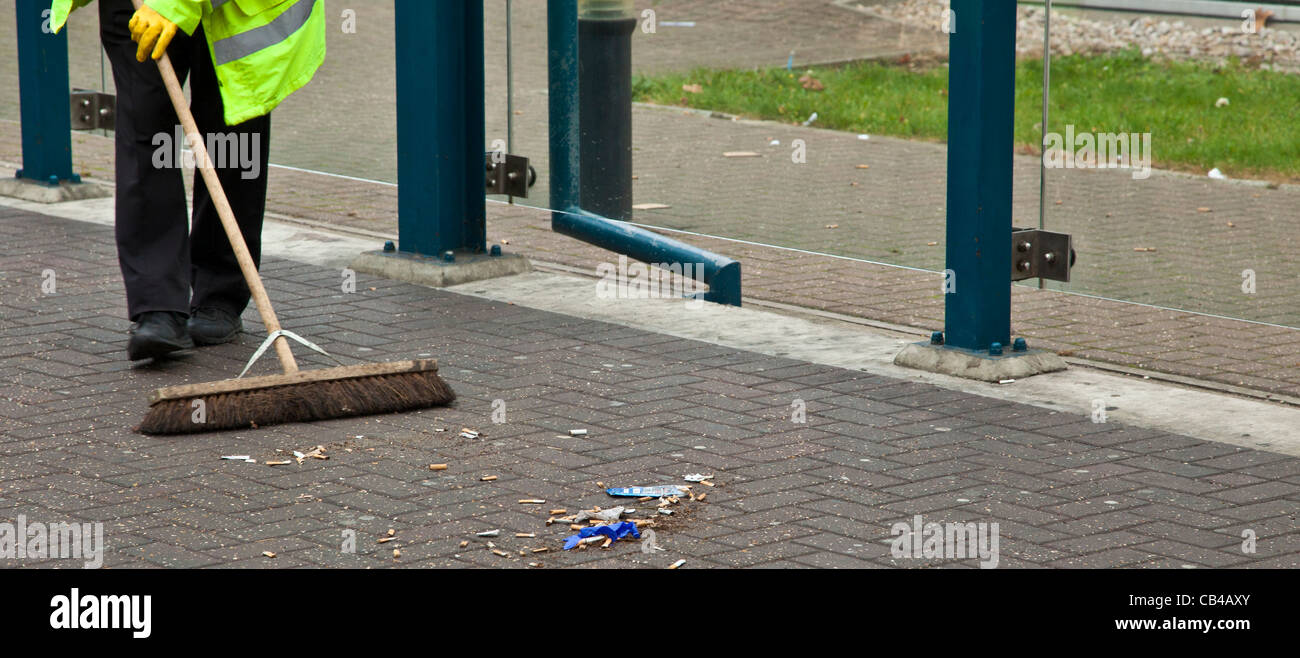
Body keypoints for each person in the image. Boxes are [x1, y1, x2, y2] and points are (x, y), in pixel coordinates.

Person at [50, 0, 326, 360]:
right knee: (145, 131)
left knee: (229, 137)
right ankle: (158, 307)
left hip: (231, 10)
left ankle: (220, 291)